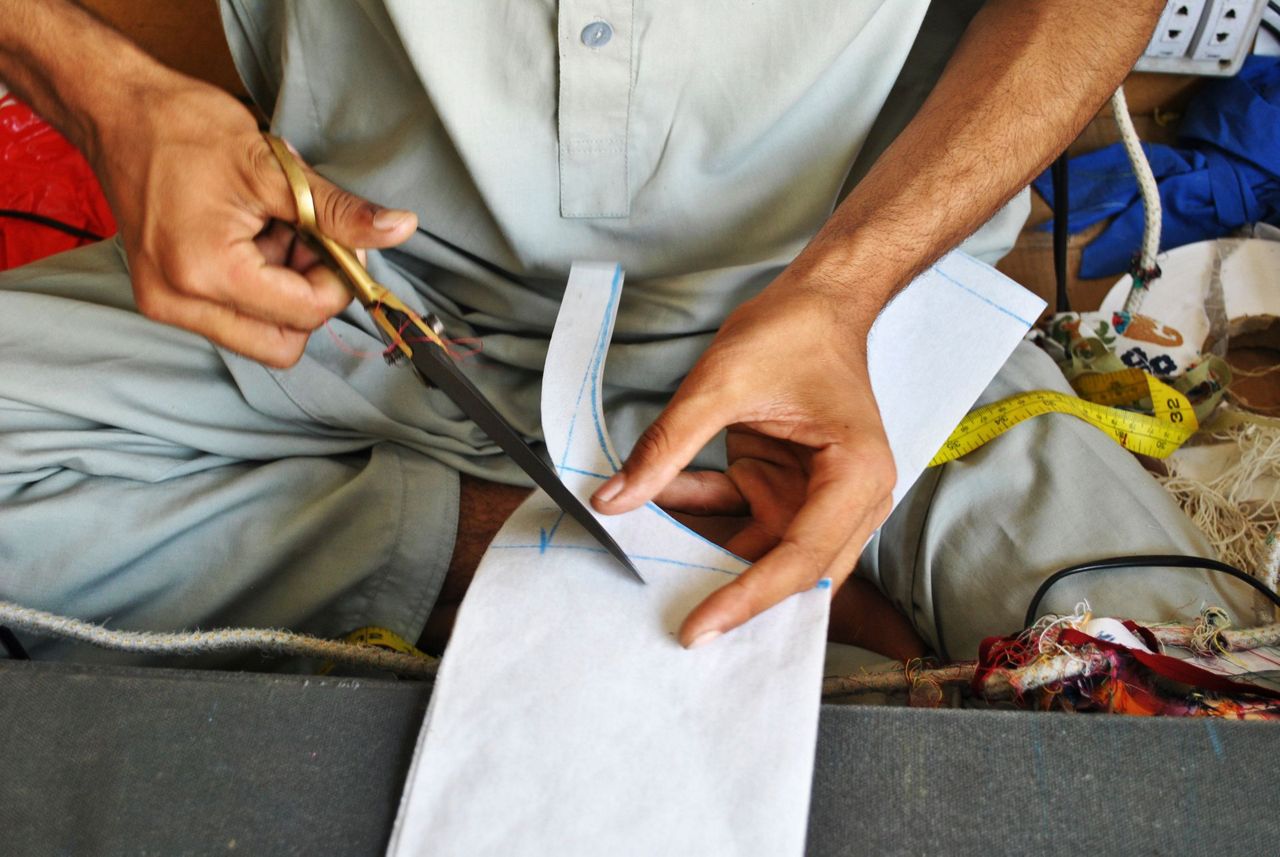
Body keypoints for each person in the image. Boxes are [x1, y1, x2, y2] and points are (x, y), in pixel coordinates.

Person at [0, 0, 1257, 667]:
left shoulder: (858, 310)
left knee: (1175, 699)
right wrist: (109, 94)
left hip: (856, 347)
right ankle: (509, 548)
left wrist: (849, 284)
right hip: (360, 299)